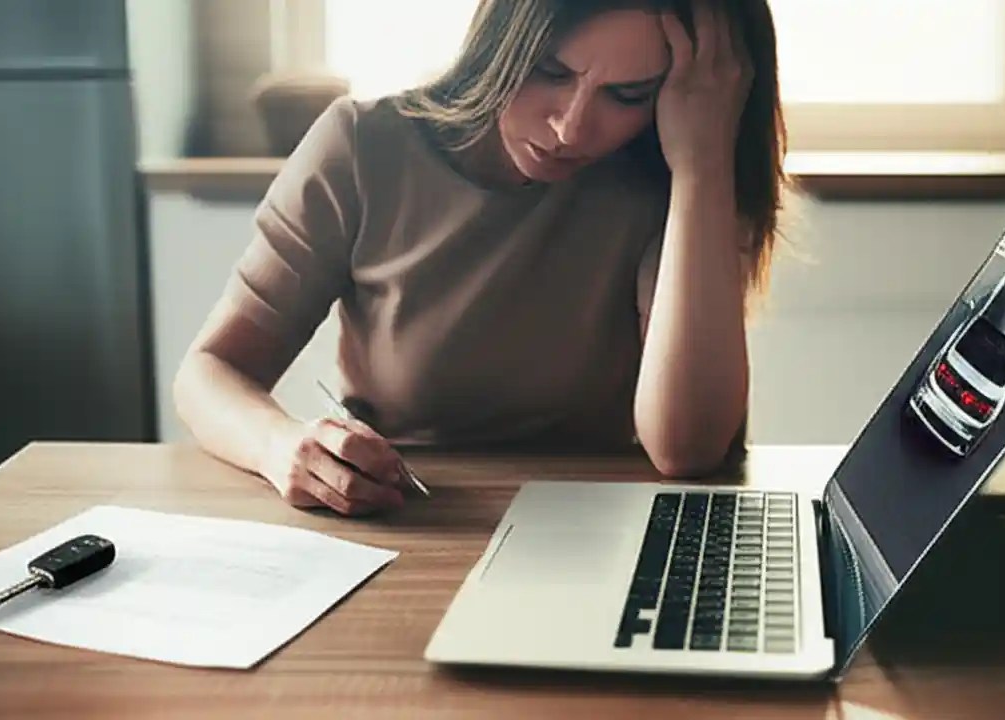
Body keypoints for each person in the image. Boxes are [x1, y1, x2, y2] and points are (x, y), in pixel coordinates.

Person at [174, 0, 787, 517]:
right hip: (402, 521)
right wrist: (281, 446)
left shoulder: (670, 178)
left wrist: (703, 165)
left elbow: (688, 450)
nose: (571, 128)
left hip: (594, 526)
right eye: (549, 71)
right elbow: (209, 371)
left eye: (627, 95)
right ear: (500, 43)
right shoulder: (364, 148)